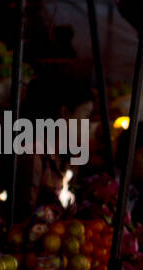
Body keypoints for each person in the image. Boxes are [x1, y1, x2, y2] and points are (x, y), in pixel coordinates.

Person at [17, 73, 94, 220]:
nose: (89, 125)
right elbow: (24, 222)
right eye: (86, 116)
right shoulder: (33, 157)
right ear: (64, 113)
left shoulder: (70, 155)